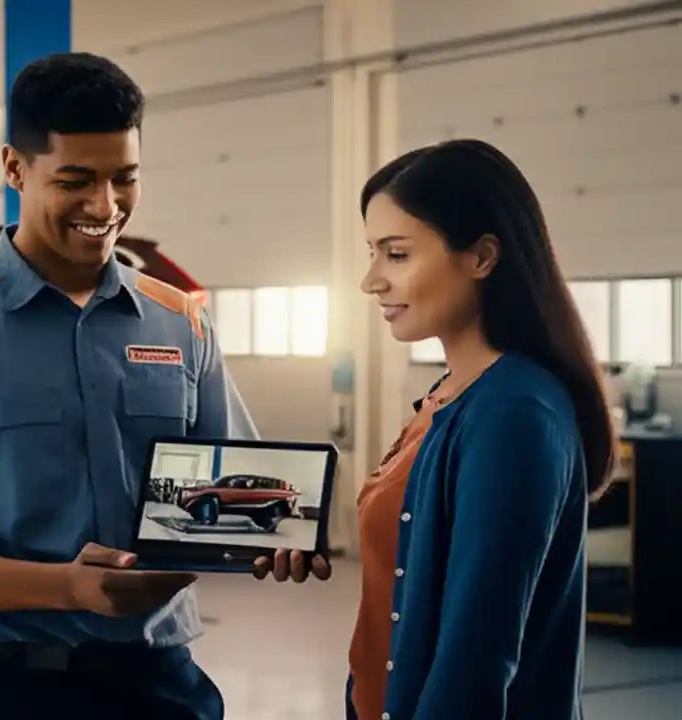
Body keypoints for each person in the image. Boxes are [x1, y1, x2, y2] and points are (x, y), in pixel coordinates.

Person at [0, 52, 258, 720]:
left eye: (125, 179)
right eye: (77, 180)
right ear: (15, 168)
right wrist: (67, 589)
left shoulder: (181, 322)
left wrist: (276, 541)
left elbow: (232, 498)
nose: (105, 206)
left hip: (159, 683)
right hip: (1, 689)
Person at [256, 138, 612, 719]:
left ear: (482, 257)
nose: (372, 280)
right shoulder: (447, 397)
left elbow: (476, 659)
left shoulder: (514, 413)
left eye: (397, 255)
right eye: (373, 253)